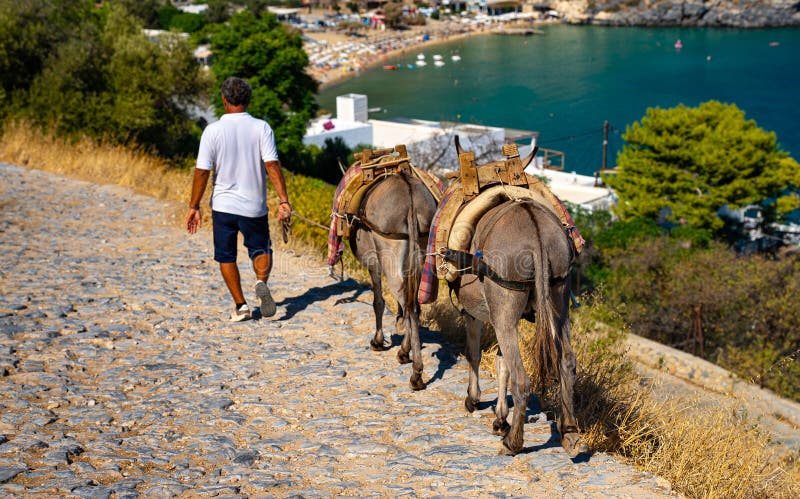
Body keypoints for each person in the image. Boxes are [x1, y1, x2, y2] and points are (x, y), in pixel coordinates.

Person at [186, 77, 292, 322]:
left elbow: (202, 171)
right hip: (254, 206)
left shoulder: (212, 131)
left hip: (223, 206)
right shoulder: (261, 128)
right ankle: (260, 282)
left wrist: (194, 206)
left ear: (224, 100)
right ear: (248, 100)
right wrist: (283, 200)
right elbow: (272, 165)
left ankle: (241, 306)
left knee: (226, 256)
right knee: (261, 249)